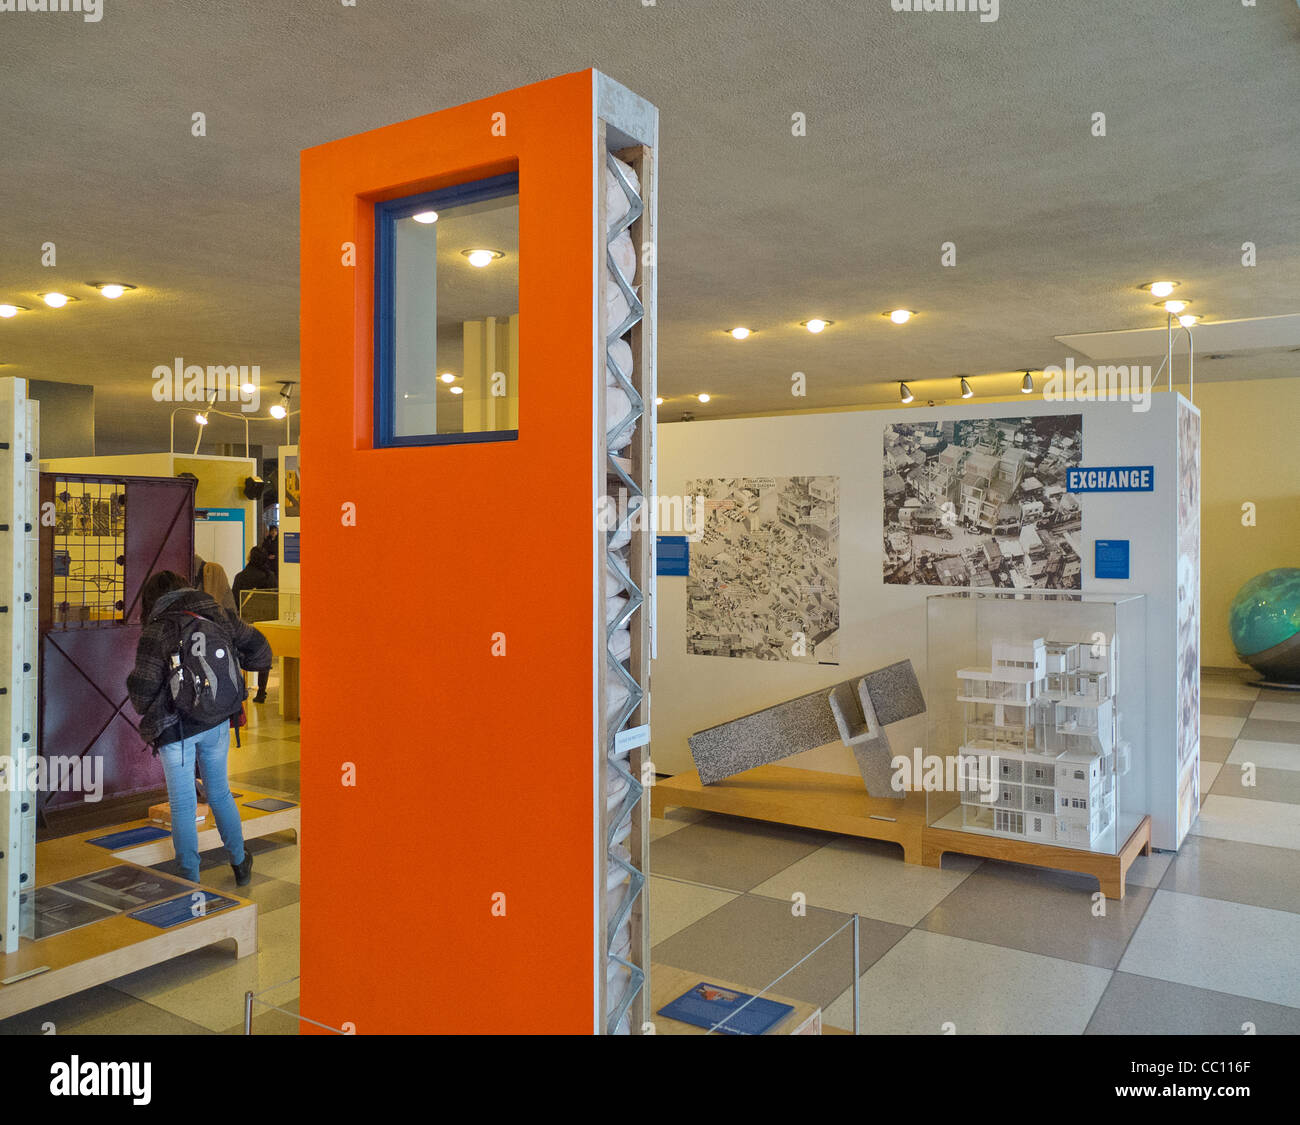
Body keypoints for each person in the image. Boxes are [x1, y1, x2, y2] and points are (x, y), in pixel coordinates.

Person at [127, 570, 271, 887]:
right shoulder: (218, 615)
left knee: (183, 804)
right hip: (217, 721)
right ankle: (239, 861)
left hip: (175, 729)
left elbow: (141, 695)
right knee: (219, 793)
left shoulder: (157, 630)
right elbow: (261, 652)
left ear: (152, 601)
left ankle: (189, 877)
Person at [232, 546, 278, 702]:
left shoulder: (241, 577)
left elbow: (234, 601)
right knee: (264, 657)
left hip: (245, 623)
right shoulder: (270, 576)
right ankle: (261, 692)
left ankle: (241, 689)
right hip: (265, 622)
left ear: (250, 558)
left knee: (240, 656)